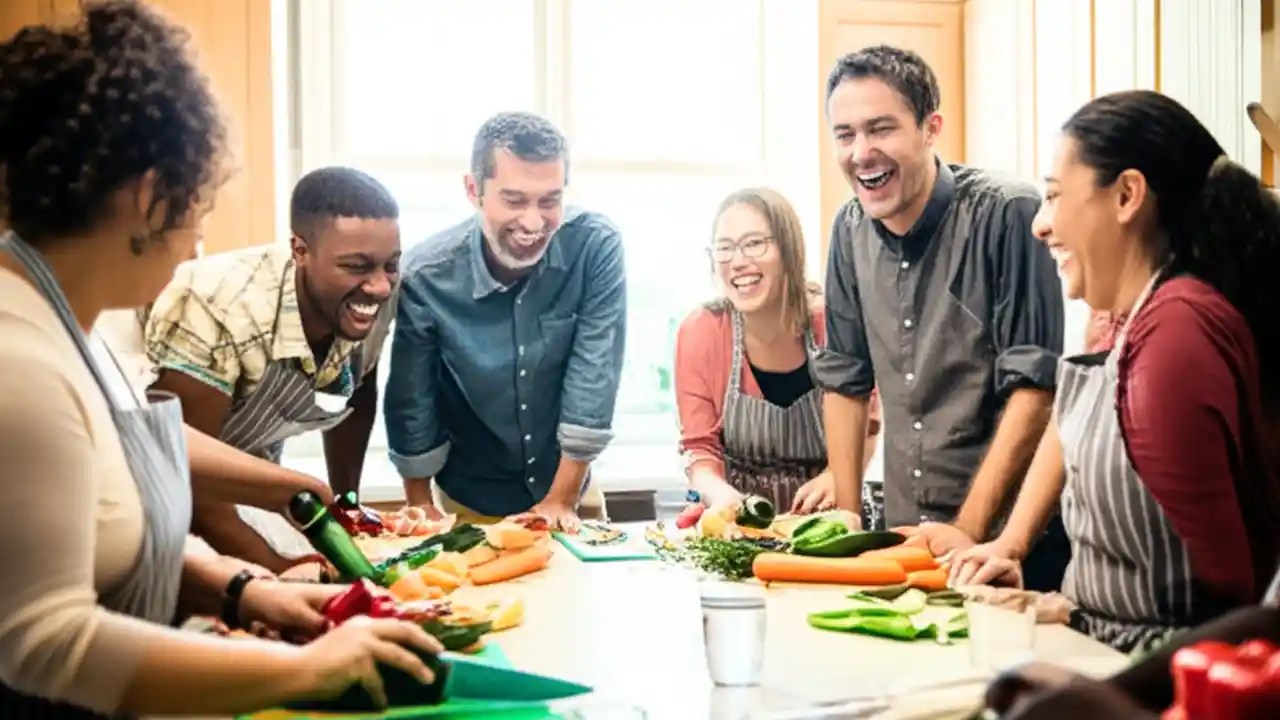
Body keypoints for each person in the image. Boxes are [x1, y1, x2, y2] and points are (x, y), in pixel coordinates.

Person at [0, 2, 439, 717]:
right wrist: (304, 672)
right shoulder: (16, 361)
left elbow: (108, 526)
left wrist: (244, 590)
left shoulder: (78, 334)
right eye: (200, 209)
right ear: (150, 197)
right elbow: (46, 644)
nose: (198, 243)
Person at [949, 89, 1280, 653]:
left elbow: (1231, 605)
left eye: (1054, 197)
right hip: (1106, 649)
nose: (1041, 225)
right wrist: (1058, 605)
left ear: (1127, 195)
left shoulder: (1175, 340)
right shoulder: (1130, 319)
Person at [812, 45, 1068, 584]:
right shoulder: (848, 230)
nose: (861, 152)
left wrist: (970, 529)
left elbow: (1035, 390)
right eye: (845, 134)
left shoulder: (1008, 213)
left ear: (931, 128)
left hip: (1010, 547)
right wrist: (848, 518)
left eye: (881, 129)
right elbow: (845, 379)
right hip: (907, 544)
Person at [144, 166, 400, 572]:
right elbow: (182, 469)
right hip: (169, 509)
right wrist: (282, 573)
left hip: (256, 486)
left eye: (390, 264)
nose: (380, 286)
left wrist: (346, 503)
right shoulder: (217, 304)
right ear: (300, 251)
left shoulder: (371, 294)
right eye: (356, 266)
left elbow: (359, 385)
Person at [385, 111, 626, 532]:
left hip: (569, 489)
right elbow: (412, 398)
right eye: (514, 200)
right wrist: (420, 505)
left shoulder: (593, 247)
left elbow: (594, 375)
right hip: (469, 499)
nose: (534, 222)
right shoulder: (426, 275)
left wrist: (560, 500)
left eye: (550, 200)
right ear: (474, 190)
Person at [674, 187, 882, 519]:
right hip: (743, 528)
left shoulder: (833, 323)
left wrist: (837, 477)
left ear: (789, 250)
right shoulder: (702, 331)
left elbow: (868, 426)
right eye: (724, 248)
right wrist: (722, 498)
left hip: (832, 520)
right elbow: (699, 451)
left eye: (754, 243)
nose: (738, 262)